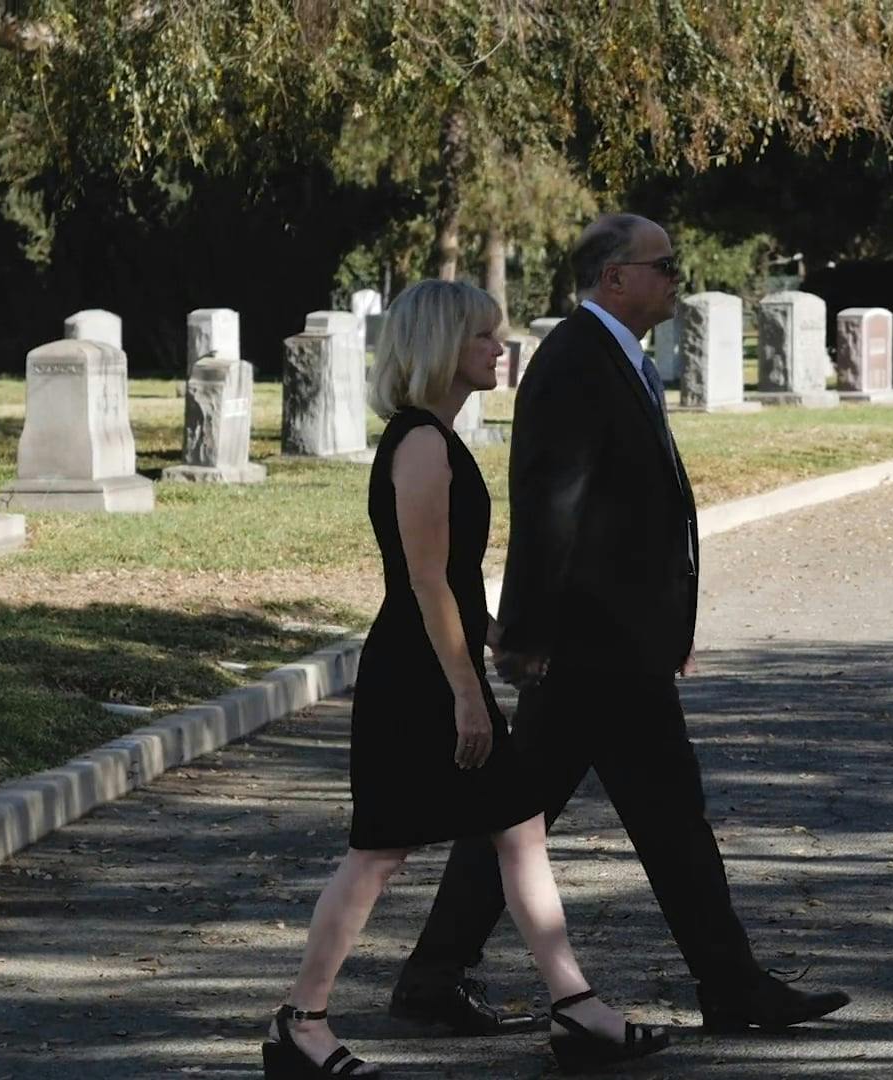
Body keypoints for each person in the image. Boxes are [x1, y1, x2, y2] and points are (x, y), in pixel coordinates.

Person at [387, 214, 851, 1037]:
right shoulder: (573, 362)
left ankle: (436, 979)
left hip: (615, 645)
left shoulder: (616, 359)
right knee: (644, 820)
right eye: (662, 265)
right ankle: (730, 985)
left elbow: (631, 515)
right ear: (613, 279)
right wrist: (525, 636)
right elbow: (549, 509)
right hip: (589, 650)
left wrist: (668, 625)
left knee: (569, 815)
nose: (676, 276)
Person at [261, 280, 670, 1078]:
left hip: (437, 660)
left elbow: (447, 576)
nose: (499, 348)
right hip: (414, 677)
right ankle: (300, 1021)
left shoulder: (438, 439)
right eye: (485, 336)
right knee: (378, 853)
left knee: (521, 831)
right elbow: (423, 581)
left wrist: (501, 640)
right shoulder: (419, 443)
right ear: (446, 349)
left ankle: (575, 1007)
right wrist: (465, 691)